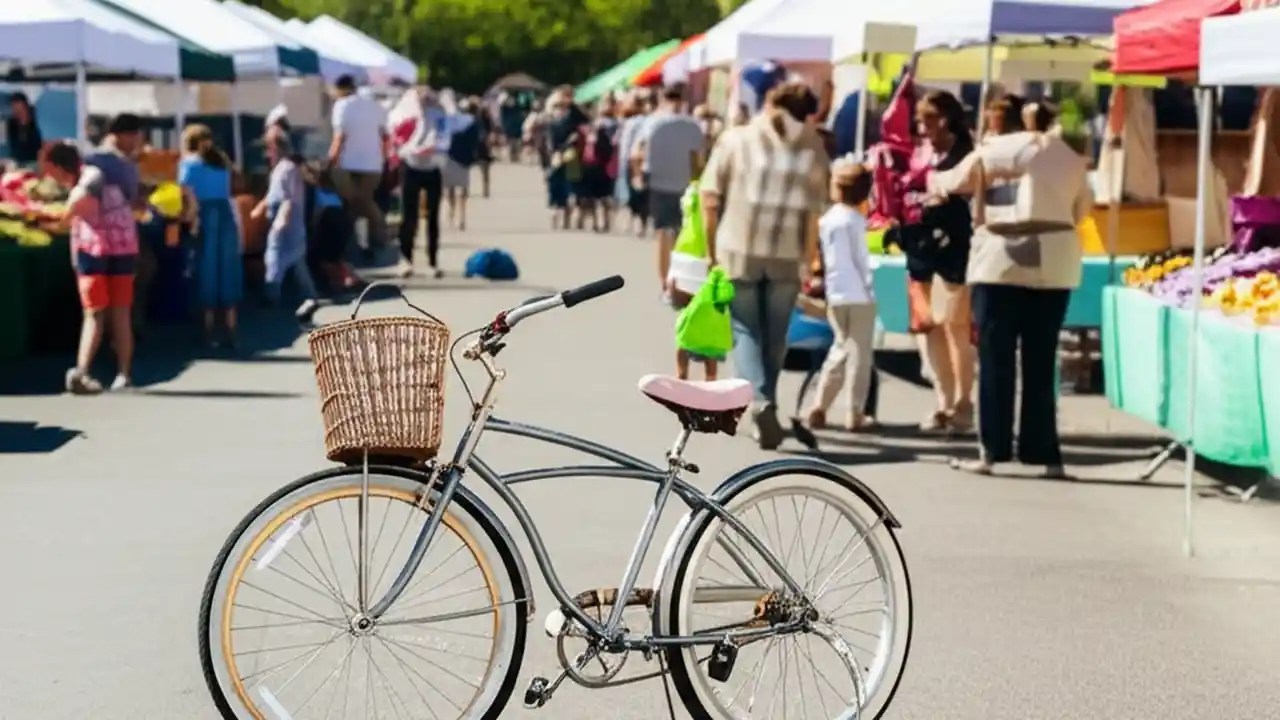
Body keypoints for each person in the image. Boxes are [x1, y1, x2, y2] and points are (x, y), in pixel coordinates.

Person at [936, 101, 1089, 477]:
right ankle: (1046, 455)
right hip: (1054, 263)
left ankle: (992, 450)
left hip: (998, 263)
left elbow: (951, 182)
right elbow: (1082, 210)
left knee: (995, 359)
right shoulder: (1070, 157)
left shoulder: (991, 152)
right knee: (1040, 360)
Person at [701, 81, 830, 449]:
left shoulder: (735, 139)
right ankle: (766, 402)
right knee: (776, 338)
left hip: (738, 249)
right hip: (788, 255)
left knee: (745, 330)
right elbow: (816, 210)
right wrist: (810, 259)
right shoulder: (813, 146)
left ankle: (760, 402)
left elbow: (710, 199)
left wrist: (711, 253)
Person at [898, 90, 976, 433]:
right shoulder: (919, 151)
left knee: (956, 328)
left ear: (944, 119)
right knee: (928, 328)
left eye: (926, 119)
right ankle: (943, 401)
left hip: (954, 252)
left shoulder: (966, 154)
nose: (921, 126)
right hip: (919, 252)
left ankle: (964, 403)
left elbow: (966, 197)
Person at [45, 143, 137, 394]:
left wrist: (53, 222)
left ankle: (83, 370)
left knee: (95, 313)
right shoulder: (106, 178)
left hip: (94, 249)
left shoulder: (88, 179)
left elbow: (73, 210)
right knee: (120, 312)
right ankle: (123, 374)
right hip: (124, 245)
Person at [804, 160, 878, 432]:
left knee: (838, 349)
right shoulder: (857, 222)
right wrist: (871, 290)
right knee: (860, 356)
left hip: (835, 293)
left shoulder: (827, 220)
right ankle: (854, 413)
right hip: (859, 295)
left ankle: (819, 405)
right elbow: (862, 260)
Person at [634, 85, 705, 286]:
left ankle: (664, 280)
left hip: (659, 183)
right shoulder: (693, 125)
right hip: (684, 183)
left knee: (663, 231)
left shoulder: (652, 123)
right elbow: (699, 159)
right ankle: (679, 277)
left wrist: (639, 175)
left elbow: (638, 152)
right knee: (683, 232)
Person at [85, 114, 150, 334]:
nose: (138, 142)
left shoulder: (89, 158)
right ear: (124, 135)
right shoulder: (123, 163)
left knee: (96, 302)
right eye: (136, 137)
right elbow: (133, 198)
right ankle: (124, 332)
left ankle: (106, 336)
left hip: (91, 237)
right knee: (125, 291)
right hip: (121, 239)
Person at [179, 124, 242, 350]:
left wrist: (191, 222)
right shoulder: (222, 161)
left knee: (206, 269)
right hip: (225, 215)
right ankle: (231, 329)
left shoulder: (189, 164)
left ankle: (208, 332)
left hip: (205, 215)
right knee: (228, 269)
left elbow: (191, 201)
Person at [257, 134, 319, 323]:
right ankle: (310, 295)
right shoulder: (285, 169)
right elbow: (273, 195)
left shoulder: (286, 169)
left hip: (285, 221)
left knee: (275, 257)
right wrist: (258, 209)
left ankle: (272, 296)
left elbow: (287, 198)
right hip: (290, 221)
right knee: (296, 260)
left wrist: (280, 221)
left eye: (268, 148)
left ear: (275, 148)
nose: (266, 153)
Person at [327, 74, 389, 259]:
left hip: (348, 163)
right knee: (361, 202)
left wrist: (331, 159)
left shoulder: (342, 105)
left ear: (340, 89)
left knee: (355, 201)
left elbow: (340, 136)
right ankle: (360, 243)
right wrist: (383, 158)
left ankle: (375, 233)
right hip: (373, 164)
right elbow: (384, 134)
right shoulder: (374, 105)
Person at [397, 90, 447, 278]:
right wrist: (411, 149)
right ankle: (406, 258)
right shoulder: (407, 114)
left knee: (433, 216)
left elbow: (444, 135)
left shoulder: (439, 114)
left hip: (433, 167)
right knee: (409, 215)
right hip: (411, 166)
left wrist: (433, 147)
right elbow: (398, 135)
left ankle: (433, 260)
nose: (424, 100)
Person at [443, 93, 481, 231]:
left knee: (449, 189)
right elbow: (476, 141)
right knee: (463, 189)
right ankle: (462, 217)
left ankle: (452, 213)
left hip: (450, 156)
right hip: (464, 159)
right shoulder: (473, 123)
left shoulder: (451, 120)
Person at [616, 93, 650, 236]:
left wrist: (623, 162)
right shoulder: (649, 121)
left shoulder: (630, 123)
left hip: (631, 160)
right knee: (643, 193)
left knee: (632, 191)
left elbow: (624, 145)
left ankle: (634, 220)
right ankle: (640, 222)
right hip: (645, 160)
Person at [6, 92, 42, 167]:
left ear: (24, 106)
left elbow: (38, 143)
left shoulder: (36, 120)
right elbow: (13, 144)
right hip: (18, 160)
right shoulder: (12, 123)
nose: (14, 110)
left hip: (34, 160)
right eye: (13, 107)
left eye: (16, 106)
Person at [471, 95, 496, 198]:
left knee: (482, 169)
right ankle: (485, 190)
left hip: (476, 146)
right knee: (485, 170)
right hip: (482, 146)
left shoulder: (473, 118)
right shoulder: (484, 118)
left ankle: (483, 189)